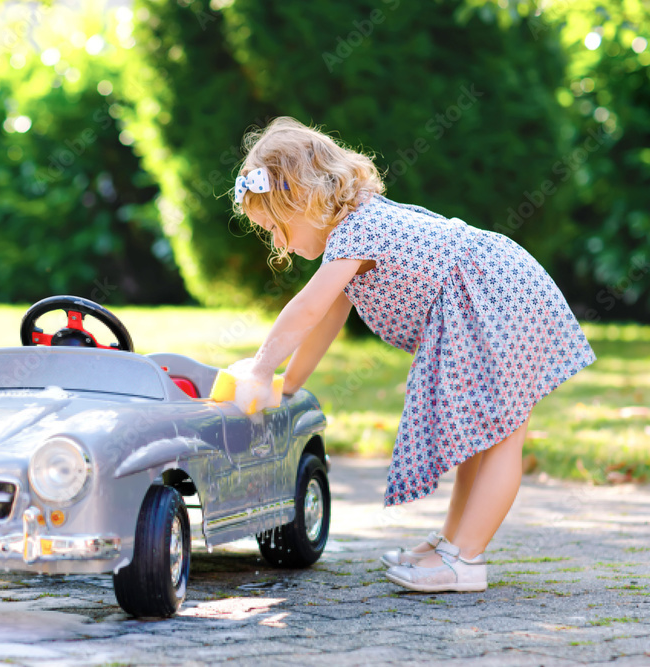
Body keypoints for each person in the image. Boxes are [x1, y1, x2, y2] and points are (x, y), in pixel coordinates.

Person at [227, 116, 596, 593]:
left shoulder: (357, 230)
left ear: (302, 198)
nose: (278, 244)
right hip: (490, 294)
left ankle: (467, 560)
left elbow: (305, 309)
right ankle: (453, 543)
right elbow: (326, 320)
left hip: (497, 299)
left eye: (276, 227)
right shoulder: (354, 228)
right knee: (478, 435)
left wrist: (260, 369)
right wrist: (289, 384)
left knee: (504, 434)